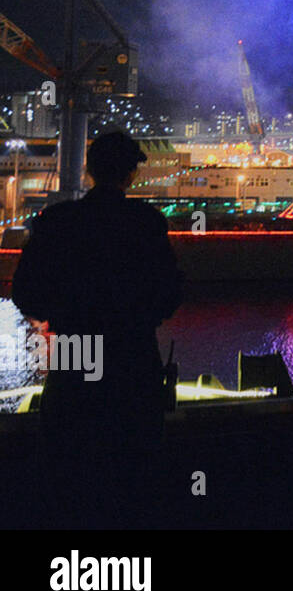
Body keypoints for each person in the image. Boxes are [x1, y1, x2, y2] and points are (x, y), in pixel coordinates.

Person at [12, 130, 185, 527]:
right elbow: (168, 294)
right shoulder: (146, 223)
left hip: (77, 347)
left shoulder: (57, 221)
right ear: (130, 175)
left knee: (71, 466)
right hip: (132, 354)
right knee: (133, 471)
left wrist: (62, 317)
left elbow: (26, 292)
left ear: (88, 169)